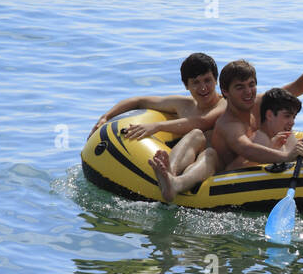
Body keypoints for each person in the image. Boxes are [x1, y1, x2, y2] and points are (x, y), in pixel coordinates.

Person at [153, 51, 303, 201]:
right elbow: (246, 148)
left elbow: (297, 87)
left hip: (249, 165)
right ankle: (173, 179)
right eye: (240, 87)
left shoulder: (259, 102)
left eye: (251, 85)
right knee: (206, 151)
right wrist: (286, 156)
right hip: (223, 174)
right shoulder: (228, 122)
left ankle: (170, 179)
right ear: (225, 92)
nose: (248, 92)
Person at [89, 53, 227, 184]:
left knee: (197, 134)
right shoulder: (183, 104)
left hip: (213, 162)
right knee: (195, 136)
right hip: (189, 163)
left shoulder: (224, 103)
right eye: (195, 82)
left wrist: (157, 126)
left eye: (207, 80)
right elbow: (138, 101)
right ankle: (169, 175)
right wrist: (106, 117)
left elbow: (202, 121)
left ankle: (171, 178)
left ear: (216, 80)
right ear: (186, 85)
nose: (203, 87)